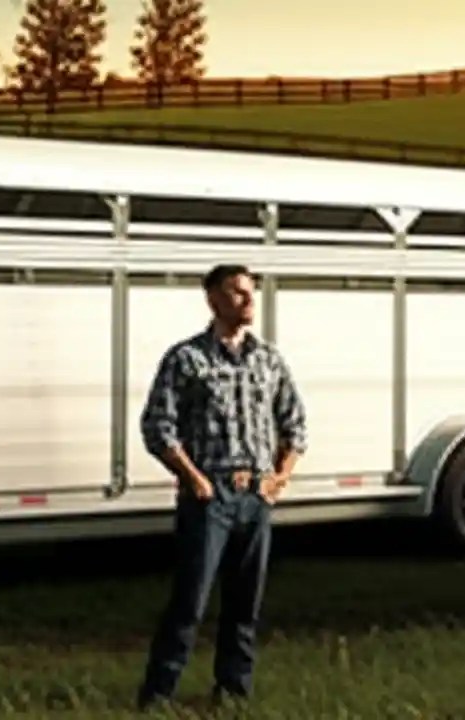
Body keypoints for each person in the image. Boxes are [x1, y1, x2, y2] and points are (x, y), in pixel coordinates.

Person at [136, 263, 307, 711]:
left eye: (251, 292)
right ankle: (158, 694)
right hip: (210, 496)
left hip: (255, 497)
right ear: (213, 300)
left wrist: (279, 478)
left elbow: (295, 423)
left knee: (245, 603)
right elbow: (157, 426)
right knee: (190, 602)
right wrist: (193, 479)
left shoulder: (267, 359)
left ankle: (233, 691)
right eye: (237, 292)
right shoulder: (187, 359)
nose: (248, 300)